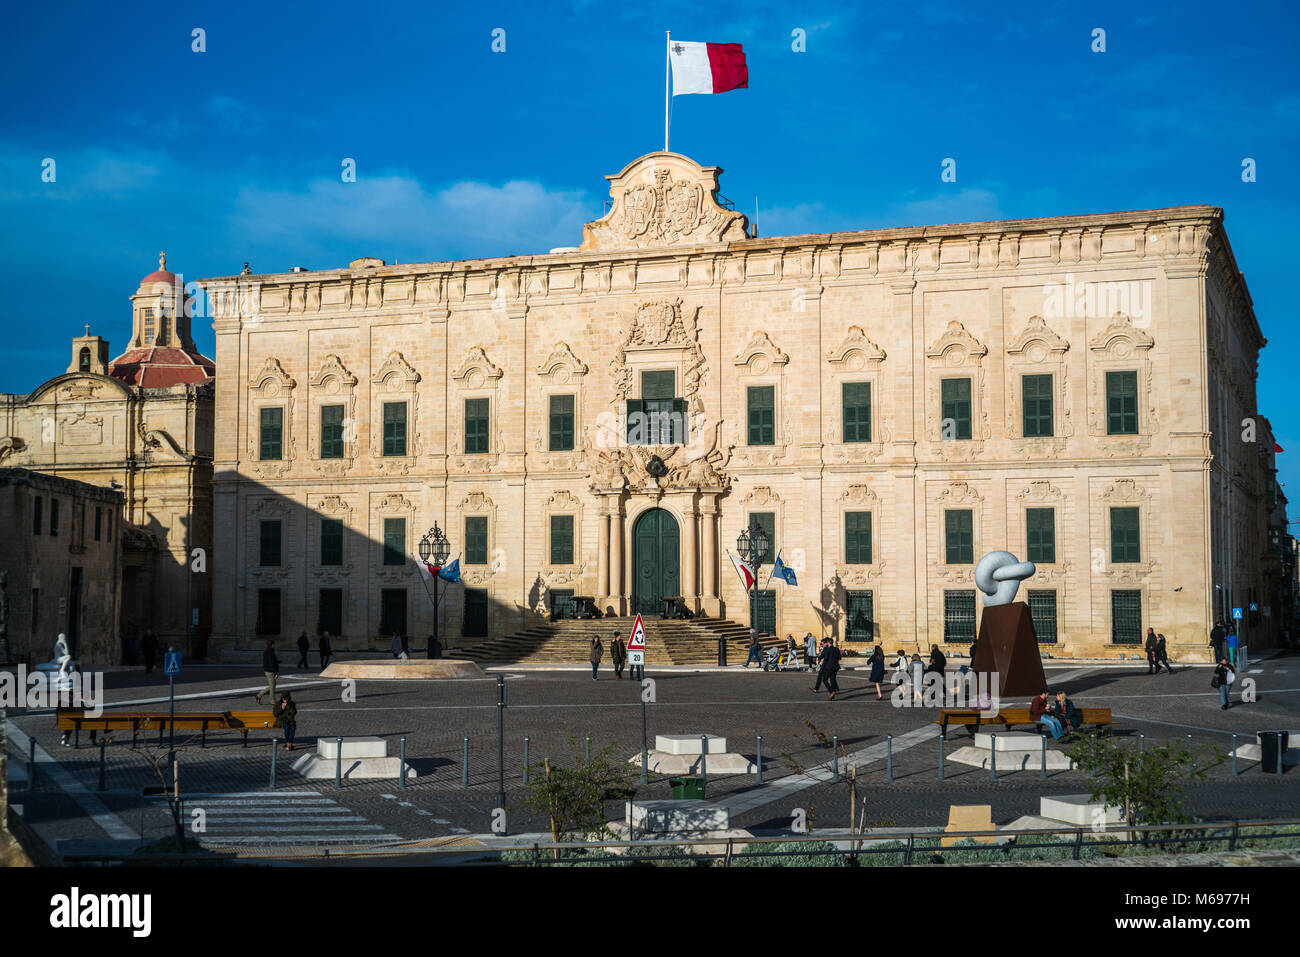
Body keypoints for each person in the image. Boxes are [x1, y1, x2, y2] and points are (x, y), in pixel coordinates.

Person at [256, 639, 279, 705]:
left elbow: (270, 661)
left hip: (268, 670)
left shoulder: (267, 651)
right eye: (274, 644)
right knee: (272, 686)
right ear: (272, 644)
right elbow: (271, 663)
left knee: (272, 686)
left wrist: (277, 662)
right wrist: (275, 672)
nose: (274, 645)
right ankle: (273, 701)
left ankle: (259, 696)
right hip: (270, 671)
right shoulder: (270, 652)